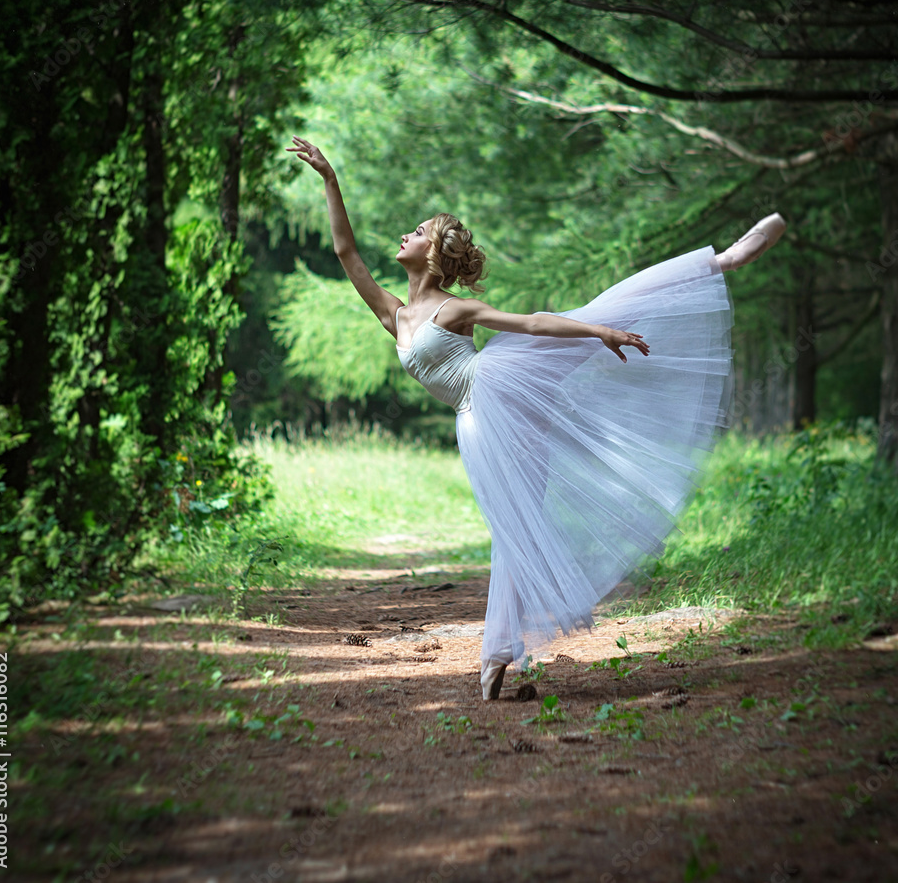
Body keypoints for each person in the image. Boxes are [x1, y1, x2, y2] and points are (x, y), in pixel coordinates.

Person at [286, 136, 786, 701]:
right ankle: (500, 657)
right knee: (513, 527)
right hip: (475, 420)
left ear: (431, 255)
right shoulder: (394, 315)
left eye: (418, 231)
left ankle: (716, 264)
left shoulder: (456, 309)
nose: (406, 234)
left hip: (498, 396)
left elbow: (533, 324)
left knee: (587, 319)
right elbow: (345, 254)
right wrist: (330, 179)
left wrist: (599, 333)